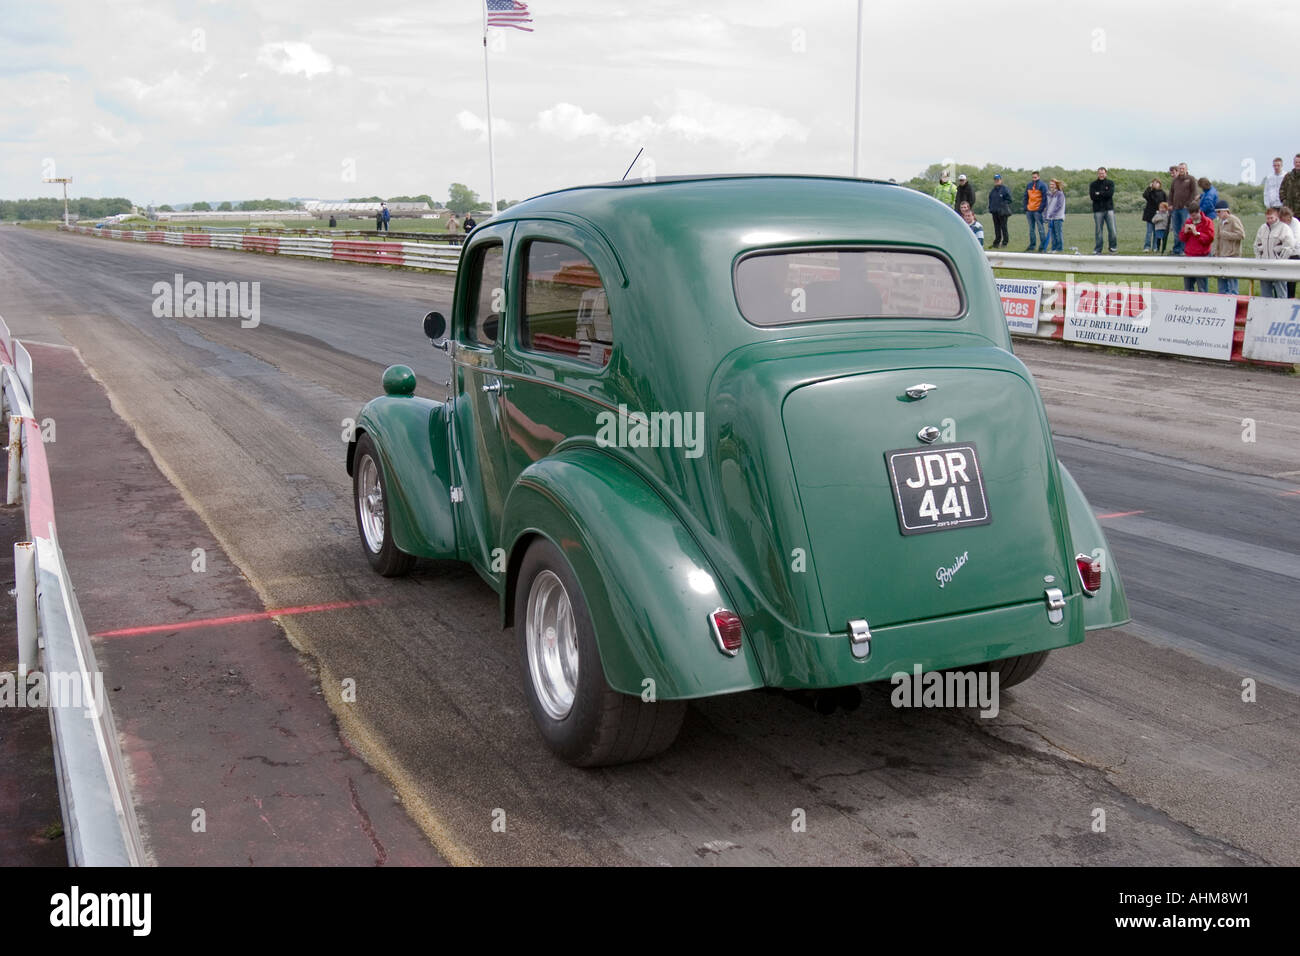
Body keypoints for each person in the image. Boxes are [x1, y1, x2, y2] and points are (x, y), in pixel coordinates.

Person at [1254, 207, 1295, 297]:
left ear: (1276, 217)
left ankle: (1282, 310)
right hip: (1264, 266)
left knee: (1281, 294)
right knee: (1265, 295)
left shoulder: (1284, 228)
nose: (1269, 220)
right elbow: (1257, 245)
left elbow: (1289, 246)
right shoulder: (1262, 228)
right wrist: (1259, 259)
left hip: (1278, 267)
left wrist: (1280, 260)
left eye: (1271, 218)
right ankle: (1266, 310)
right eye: (1267, 218)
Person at [1210, 198, 1244, 296]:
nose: (1218, 214)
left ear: (1225, 211)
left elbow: (1241, 235)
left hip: (1232, 255)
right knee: (1222, 284)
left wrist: (1226, 234)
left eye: (1219, 212)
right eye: (1217, 212)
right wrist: (1215, 251)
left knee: (1232, 282)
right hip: (1221, 255)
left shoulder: (1234, 220)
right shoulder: (1220, 222)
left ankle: (1234, 299)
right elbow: (1218, 238)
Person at [1179, 207, 1213, 292]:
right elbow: (1182, 238)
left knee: (1202, 286)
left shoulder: (1207, 222)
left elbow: (1209, 239)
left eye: (1194, 215)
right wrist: (1185, 232)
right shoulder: (1188, 221)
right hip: (1189, 256)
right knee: (1188, 287)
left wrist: (1197, 233)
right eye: (1191, 216)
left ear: (1199, 212)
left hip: (1202, 256)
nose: (1193, 218)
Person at [1168, 162, 1197, 255]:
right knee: (1176, 230)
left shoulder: (1191, 179)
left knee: (1185, 229)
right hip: (1175, 208)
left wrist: (1188, 204)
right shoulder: (1175, 180)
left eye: (1183, 168)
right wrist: (1170, 204)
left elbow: (1194, 193)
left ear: (1186, 169)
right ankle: (1177, 249)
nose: (1181, 170)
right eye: (1180, 168)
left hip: (1185, 209)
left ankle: (1185, 249)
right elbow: (1171, 193)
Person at [1089, 167, 1117, 254]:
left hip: (1109, 209)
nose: (1101, 175)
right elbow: (1092, 197)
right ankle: (1098, 249)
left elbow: (1110, 194)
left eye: (1103, 173)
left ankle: (1113, 247)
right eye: (1100, 173)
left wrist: (1099, 193)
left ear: (1106, 173)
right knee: (1098, 231)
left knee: (1112, 230)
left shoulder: (1110, 183)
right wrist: (1103, 193)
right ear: (1098, 174)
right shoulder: (1093, 184)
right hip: (1098, 210)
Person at [1023, 171, 1047, 252]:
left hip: (1038, 211)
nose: (1034, 179)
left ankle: (1042, 246)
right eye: (1033, 177)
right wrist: (1025, 207)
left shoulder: (1043, 185)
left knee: (1041, 229)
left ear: (1039, 177)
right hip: (1029, 210)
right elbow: (1025, 196)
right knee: (1031, 229)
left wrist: (1040, 209)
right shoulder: (1029, 185)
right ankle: (1032, 245)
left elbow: (1044, 198)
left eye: (1035, 177)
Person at [987, 173, 1012, 248]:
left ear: (1001, 180)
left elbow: (1009, 199)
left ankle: (1005, 242)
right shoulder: (993, 190)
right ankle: (996, 242)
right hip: (994, 212)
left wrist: (1002, 205)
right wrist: (990, 208)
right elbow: (990, 199)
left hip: (1003, 212)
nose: (996, 181)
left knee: (1004, 228)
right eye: (995, 180)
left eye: (998, 180)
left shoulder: (1005, 189)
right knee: (996, 228)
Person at [1141, 178, 1166, 251]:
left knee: (1156, 232)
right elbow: (1145, 195)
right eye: (1154, 183)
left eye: (1157, 183)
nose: (1155, 184)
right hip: (1150, 215)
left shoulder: (1162, 193)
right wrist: (1149, 187)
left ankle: (1155, 247)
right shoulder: (1150, 192)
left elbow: (1165, 203)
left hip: (1159, 215)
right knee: (1149, 232)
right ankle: (1147, 247)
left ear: (1160, 184)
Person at [1281, 206, 1300, 297]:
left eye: (1287, 219)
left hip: (1294, 253)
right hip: (1283, 253)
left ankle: (1290, 297)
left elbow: (1295, 239)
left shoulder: (1295, 222)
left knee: (1291, 280)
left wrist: (1287, 246)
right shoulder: (1280, 224)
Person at [1045, 179, 1066, 252]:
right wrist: (1046, 215)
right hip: (1050, 217)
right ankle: (1053, 248)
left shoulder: (1060, 194)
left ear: (1056, 185)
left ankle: (1059, 248)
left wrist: (1052, 213)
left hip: (1058, 217)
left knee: (1058, 233)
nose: (1051, 186)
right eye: (1050, 184)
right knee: (1052, 234)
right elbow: (1047, 205)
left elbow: (1059, 205)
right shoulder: (1048, 194)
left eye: (1053, 184)